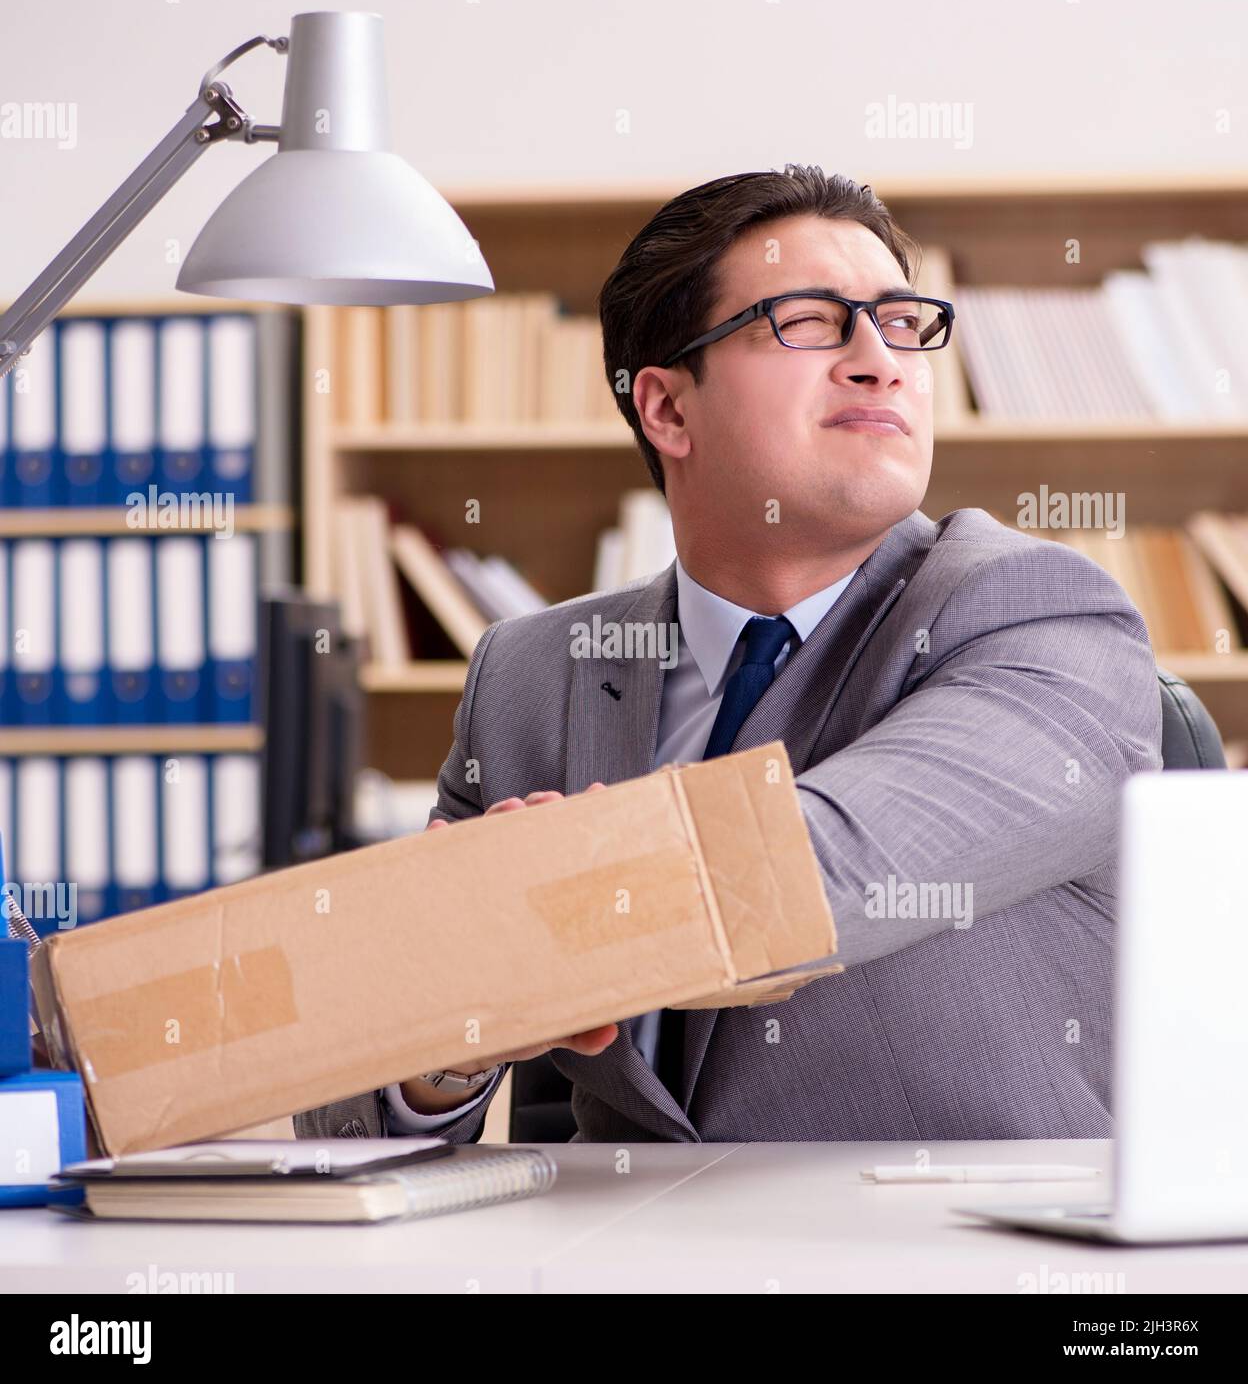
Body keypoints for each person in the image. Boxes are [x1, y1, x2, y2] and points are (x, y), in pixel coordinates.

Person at [295, 165, 1161, 1144]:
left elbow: (818, 869)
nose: (880, 360)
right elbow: (349, 1112)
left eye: (902, 322)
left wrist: (528, 908)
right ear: (666, 409)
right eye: (809, 321)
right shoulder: (532, 674)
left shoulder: (1040, 615)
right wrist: (448, 1044)